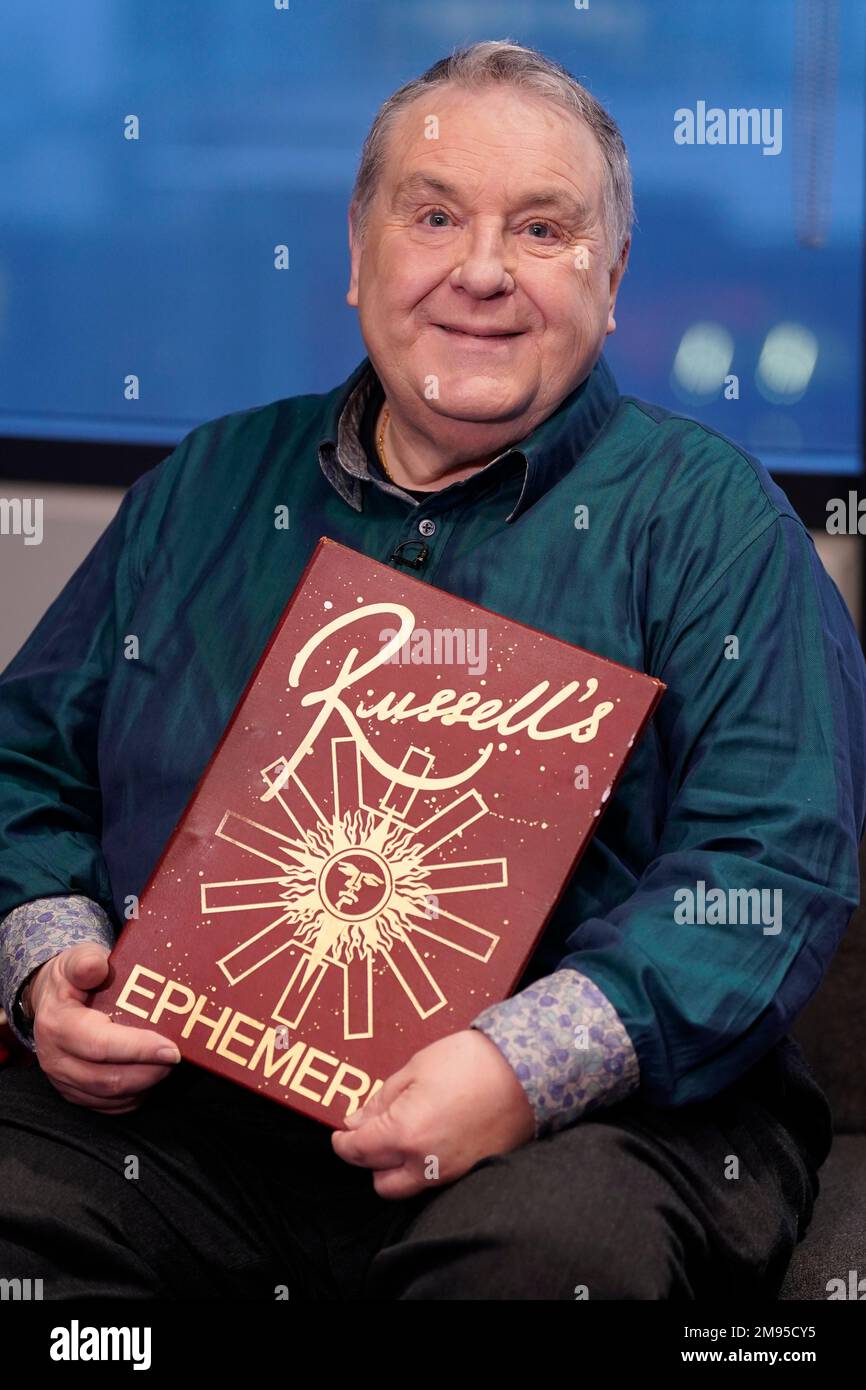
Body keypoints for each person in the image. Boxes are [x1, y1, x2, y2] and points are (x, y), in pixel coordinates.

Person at [1, 39, 864, 1301]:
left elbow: (772, 862)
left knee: (543, 1265)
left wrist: (525, 1064)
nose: (479, 273)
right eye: (435, 215)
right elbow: (23, 756)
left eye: (541, 230)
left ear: (610, 278)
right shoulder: (204, 486)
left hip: (595, 1133)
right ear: (357, 256)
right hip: (192, 1119)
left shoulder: (714, 525)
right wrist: (45, 962)